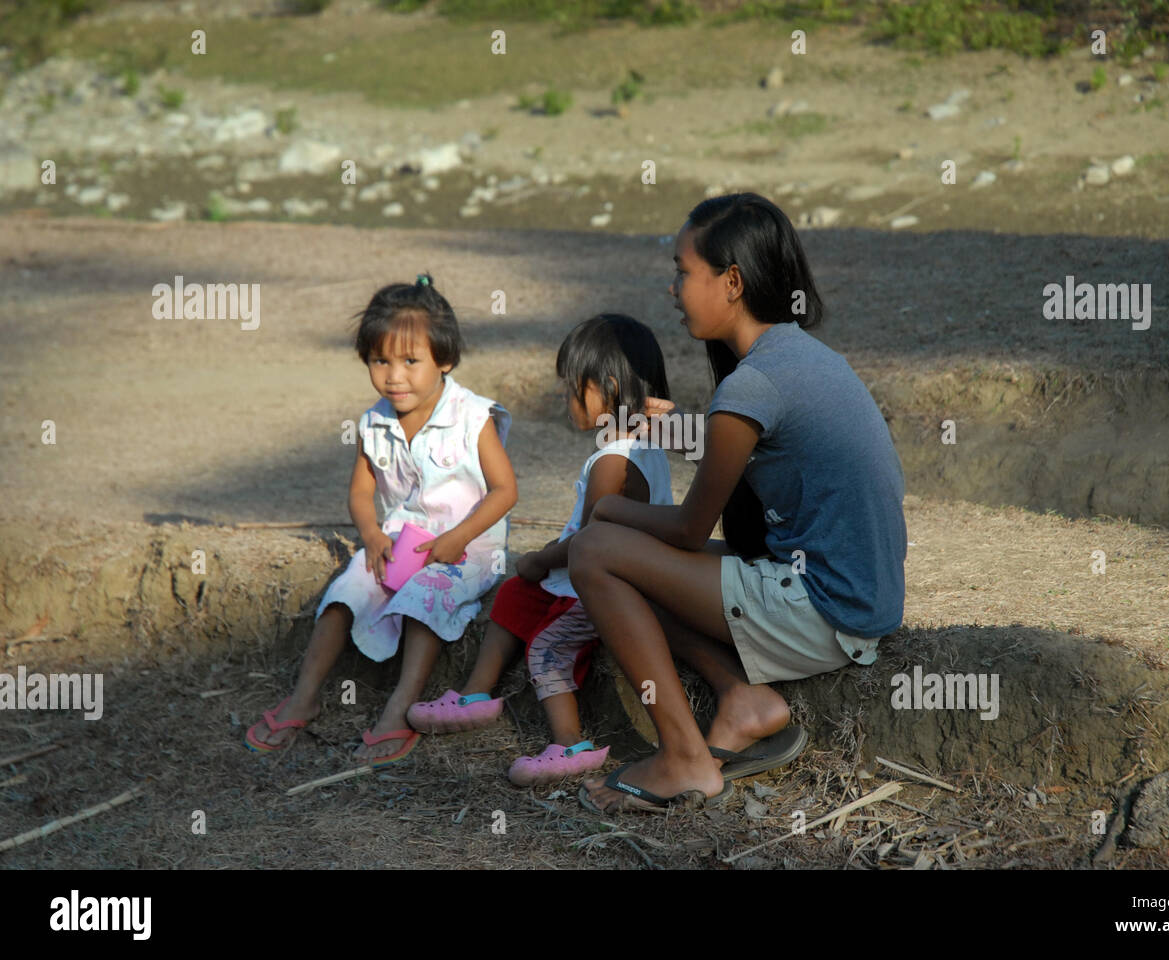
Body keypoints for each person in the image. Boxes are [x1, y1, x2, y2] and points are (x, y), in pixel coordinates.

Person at [570, 193, 907, 813]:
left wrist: (609, 511)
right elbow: (761, 455)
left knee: (594, 553)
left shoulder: (750, 385)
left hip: (826, 610)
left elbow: (691, 530)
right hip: (856, 598)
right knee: (634, 568)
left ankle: (683, 760)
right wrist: (678, 431)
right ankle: (743, 700)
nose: (672, 290)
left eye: (682, 271)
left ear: (731, 282)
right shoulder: (797, 357)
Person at [245, 273, 517, 767]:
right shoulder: (374, 422)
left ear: (445, 359)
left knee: (423, 598)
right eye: (380, 361)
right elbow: (361, 490)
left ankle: (398, 708)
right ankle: (303, 697)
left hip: (470, 546)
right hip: (400, 540)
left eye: (411, 361)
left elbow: (505, 491)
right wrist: (371, 535)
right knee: (345, 592)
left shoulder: (472, 418)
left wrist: (458, 537)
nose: (394, 376)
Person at [407, 314, 674, 787]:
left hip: (602, 589)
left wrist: (539, 559)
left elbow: (588, 543)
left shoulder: (613, 462)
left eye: (573, 388)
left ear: (607, 388)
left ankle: (569, 743)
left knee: (546, 649)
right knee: (514, 595)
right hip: (584, 576)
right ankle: (476, 694)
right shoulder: (637, 444)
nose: (564, 398)